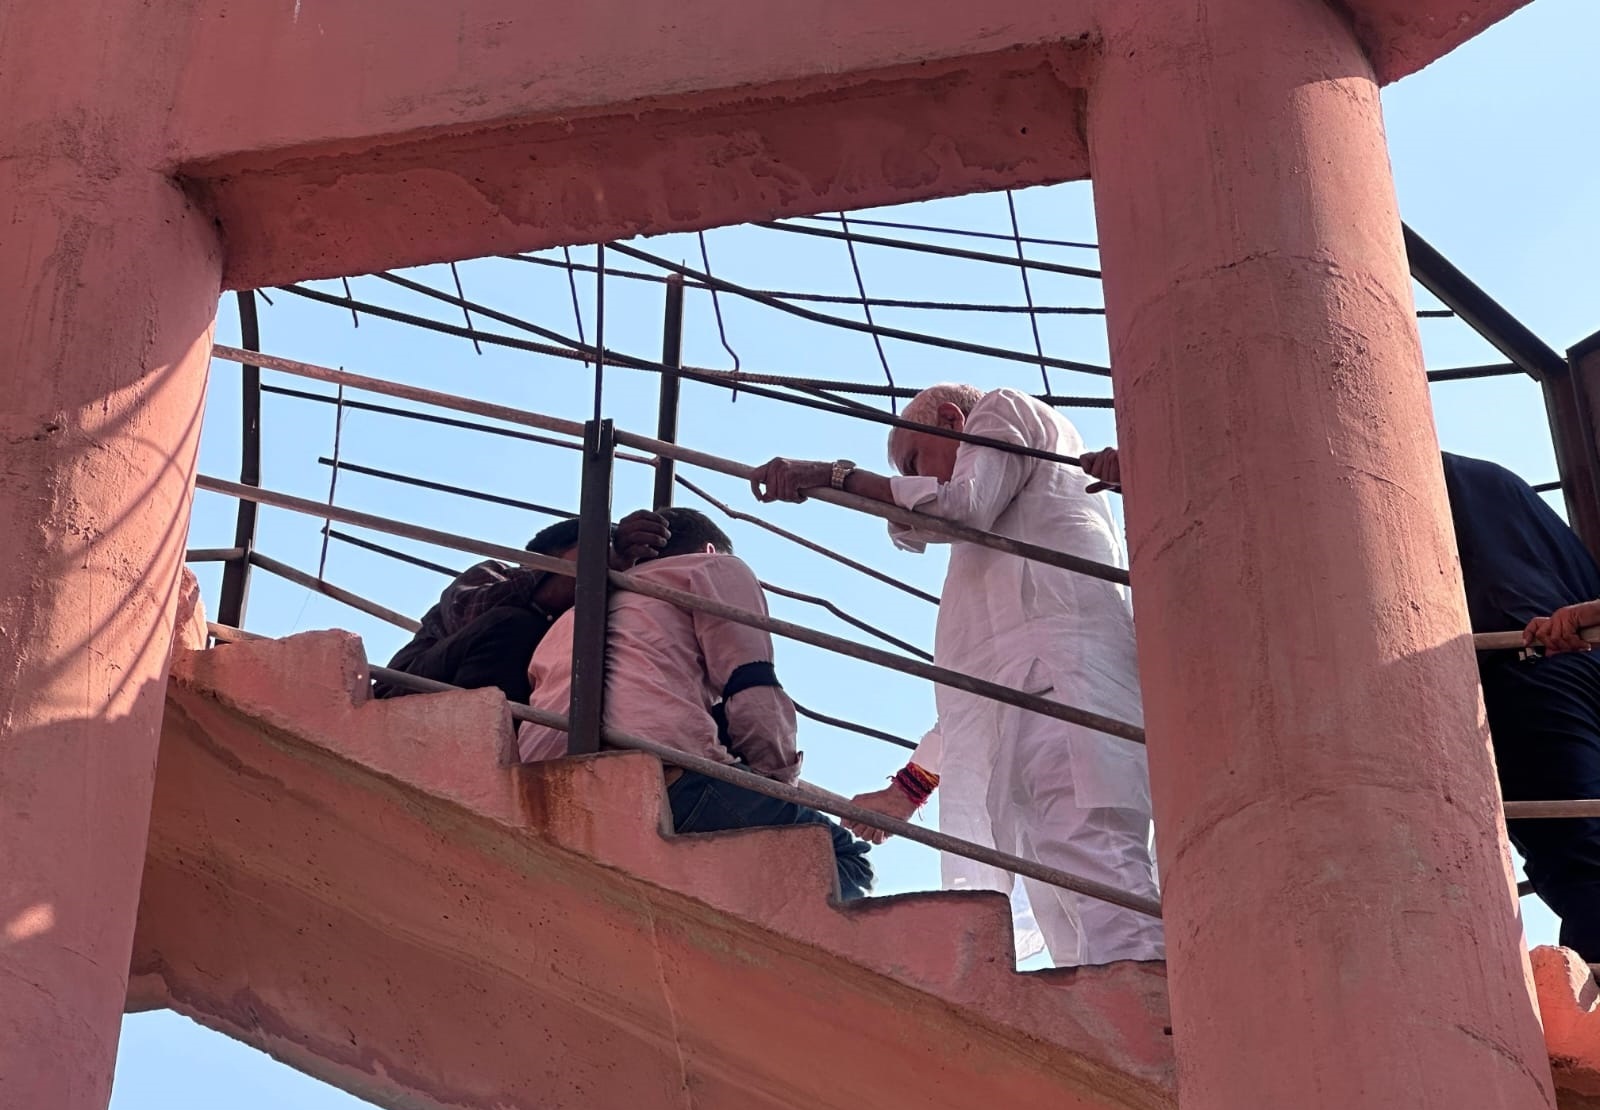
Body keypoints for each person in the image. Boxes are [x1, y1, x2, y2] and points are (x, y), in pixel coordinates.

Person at [1079, 444, 1600, 962]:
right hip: (1576, 659)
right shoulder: (1498, 479)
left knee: (1574, 851)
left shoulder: (1388, 481)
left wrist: (1161, 473)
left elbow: (1266, 500)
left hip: (1524, 665)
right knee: (1581, 835)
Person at [749, 385, 1163, 966]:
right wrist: (907, 791)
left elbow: (962, 505)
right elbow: (975, 700)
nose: (916, 482)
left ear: (951, 420)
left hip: (1071, 696)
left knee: (1098, 866)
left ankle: (1152, 1011)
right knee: (1064, 897)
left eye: (915, 461)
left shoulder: (1002, 410)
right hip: (1036, 705)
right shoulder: (993, 554)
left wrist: (837, 477)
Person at [518, 507, 874, 901]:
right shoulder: (712, 568)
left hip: (544, 782)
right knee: (846, 858)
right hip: (660, 776)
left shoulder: (574, 614)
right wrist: (776, 780)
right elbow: (751, 687)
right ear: (710, 550)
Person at [375, 510, 668, 703]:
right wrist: (602, 560)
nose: (607, 569)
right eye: (596, 555)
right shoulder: (492, 574)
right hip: (405, 692)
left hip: (519, 711)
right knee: (513, 623)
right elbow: (474, 612)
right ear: (546, 556)